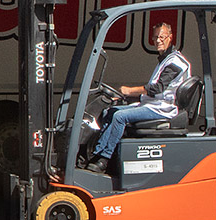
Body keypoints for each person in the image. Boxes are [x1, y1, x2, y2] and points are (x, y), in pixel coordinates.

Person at [82, 23, 192, 172]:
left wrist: (129, 91)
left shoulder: (175, 62)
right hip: (153, 104)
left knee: (120, 117)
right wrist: (125, 98)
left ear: (170, 37)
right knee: (109, 111)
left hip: (163, 109)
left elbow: (157, 88)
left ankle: (104, 159)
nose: (158, 40)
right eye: (155, 37)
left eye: (162, 37)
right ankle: (97, 153)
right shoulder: (165, 59)